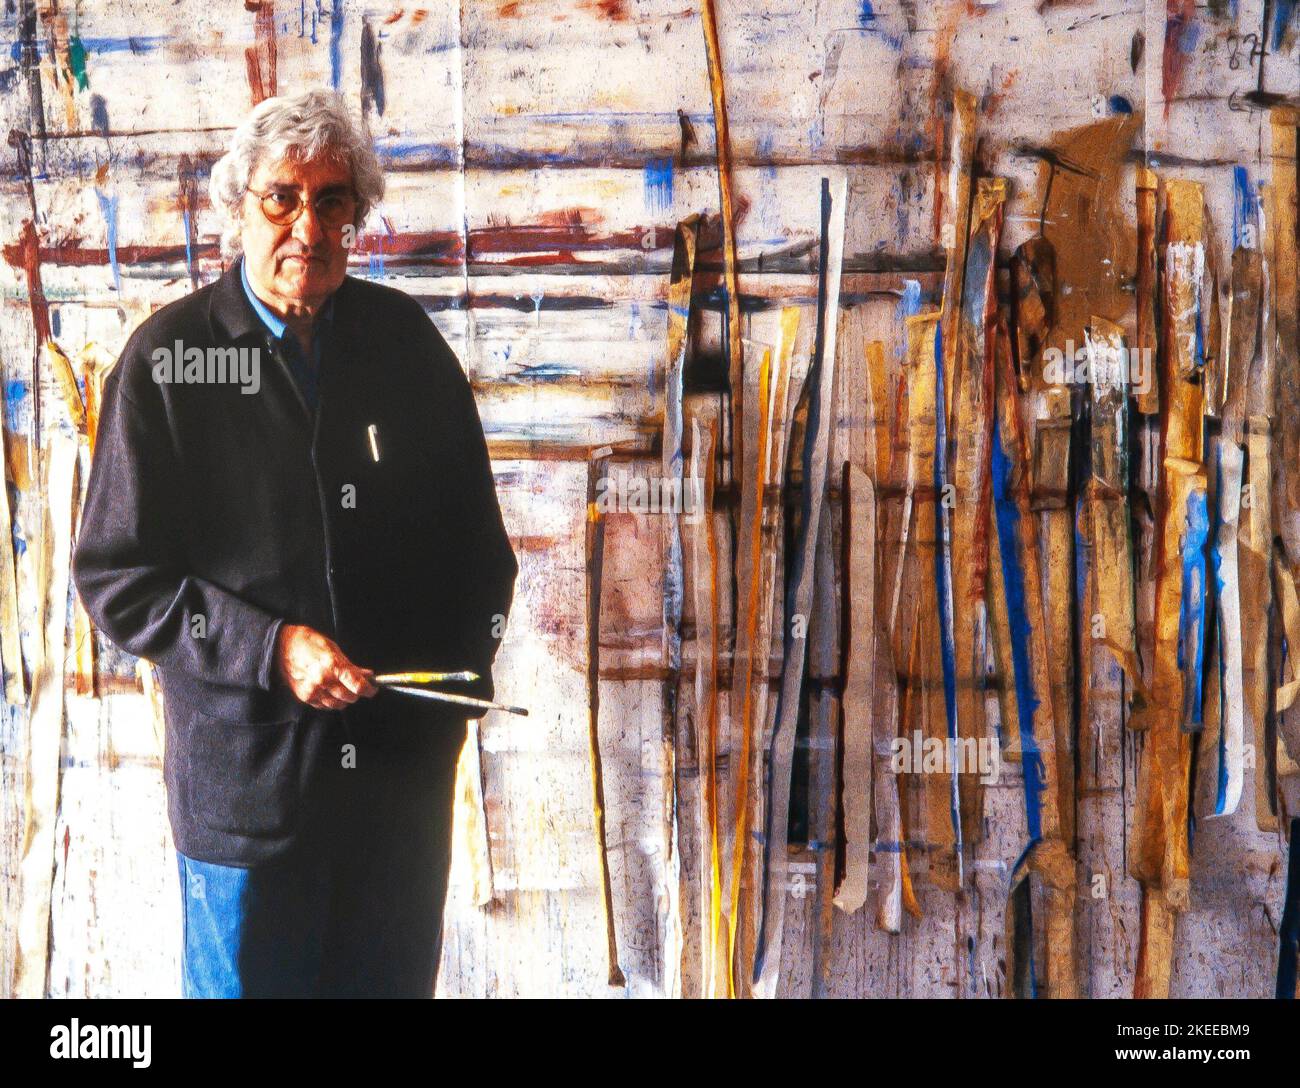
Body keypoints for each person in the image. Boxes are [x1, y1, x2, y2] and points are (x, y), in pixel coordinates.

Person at [72, 88, 518, 998]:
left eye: (332, 199)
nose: (306, 227)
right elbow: (119, 579)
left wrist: (449, 712)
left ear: (357, 215)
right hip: (248, 804)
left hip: (394, 799)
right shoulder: (170, 362)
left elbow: (482, 556)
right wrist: (270, 649)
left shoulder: (404, 346)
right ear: (239, 206)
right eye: (282, 196)